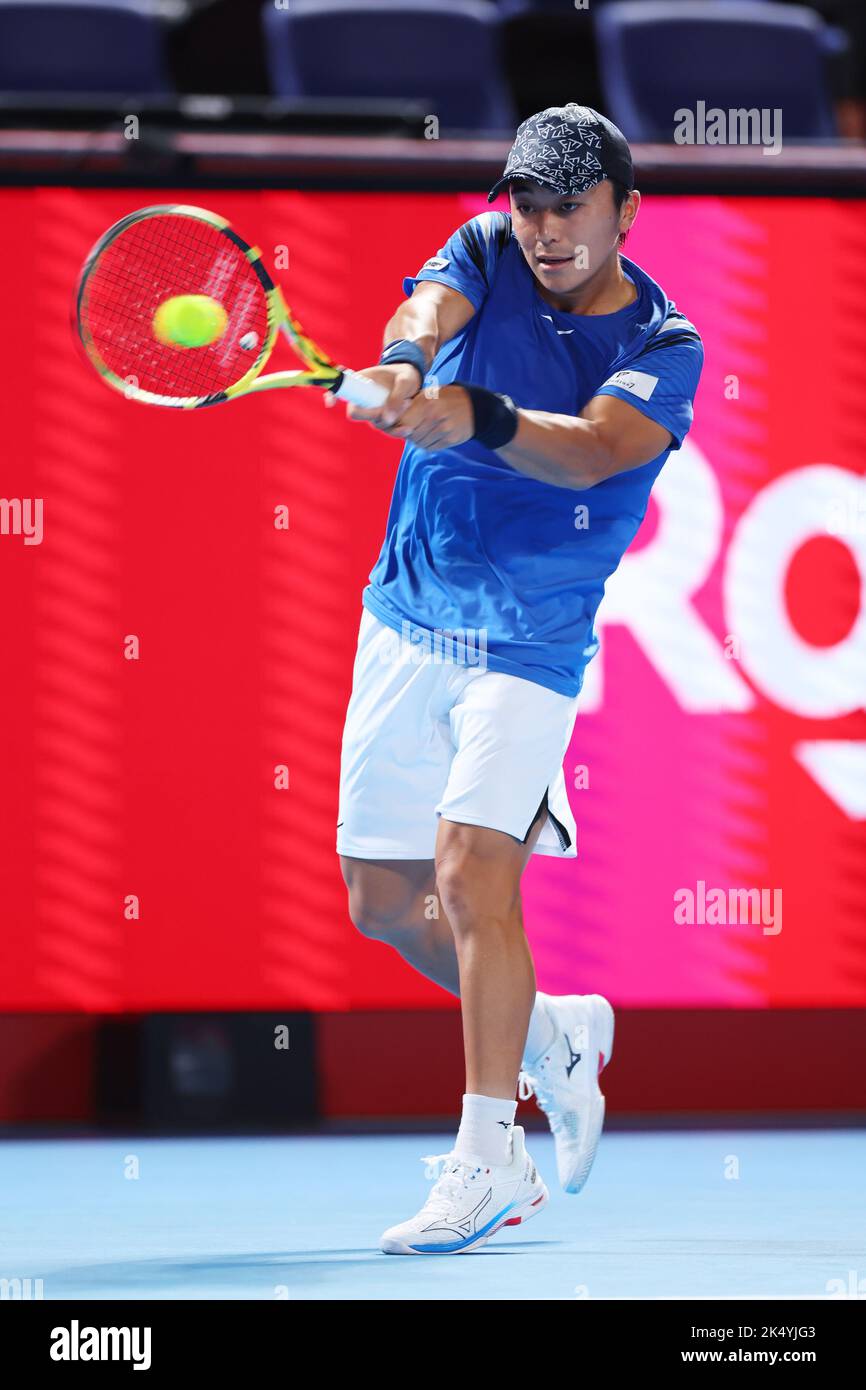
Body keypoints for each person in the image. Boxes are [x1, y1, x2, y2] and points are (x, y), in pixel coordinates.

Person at [330, 104, 704, 1255]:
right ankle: (554, 1030)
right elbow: (424, 308)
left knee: (469, 871)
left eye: (569, 206)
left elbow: (591, 448)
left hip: (528, 647)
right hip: (404, 616)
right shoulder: (485, 253)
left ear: (624, 212)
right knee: (382, 901)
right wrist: (401, 364)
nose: (544, 229)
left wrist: (469, 416)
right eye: (528, 204)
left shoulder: (663, 346)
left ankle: (487, 1156)